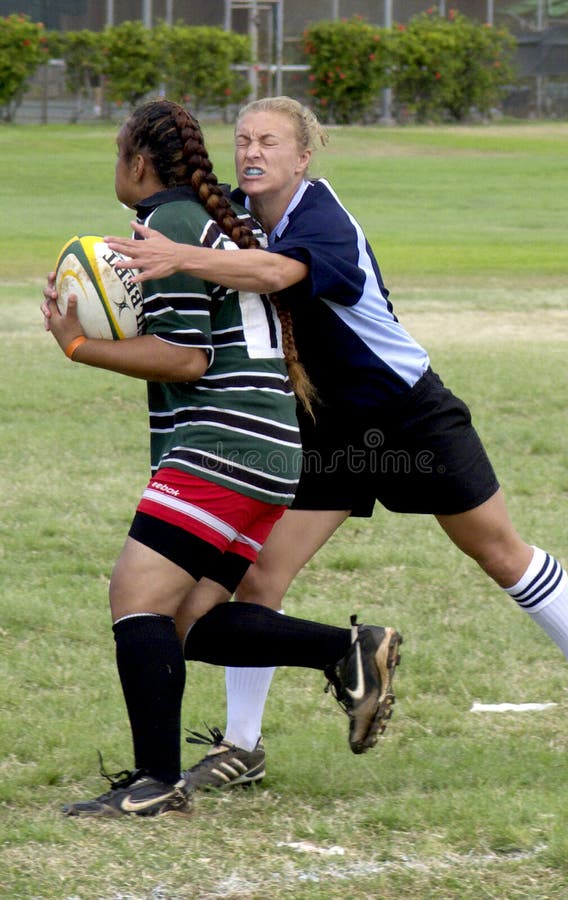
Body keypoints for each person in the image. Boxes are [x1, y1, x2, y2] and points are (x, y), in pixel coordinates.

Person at [103, 96, 568, 790]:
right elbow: (176, 221)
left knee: (500, 551)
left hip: (405, 412)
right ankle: (242, 746)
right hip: (322, 427)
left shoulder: (320, 219)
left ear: (304, 155)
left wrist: (182, 257)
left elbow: (276, 275)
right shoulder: (230, 214)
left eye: (270, 141)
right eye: (243, 140)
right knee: (261, 575)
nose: (253, 152)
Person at [41, 98, 402, 818]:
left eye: (118, 152)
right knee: (190, 621)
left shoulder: (172, 225)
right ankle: (350, 648)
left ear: (138, 162)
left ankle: (156, 783)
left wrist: (80, 345)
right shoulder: (202, 224)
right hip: (263, 447)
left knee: (134, 595)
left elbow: (187, 359)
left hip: (225, 444)